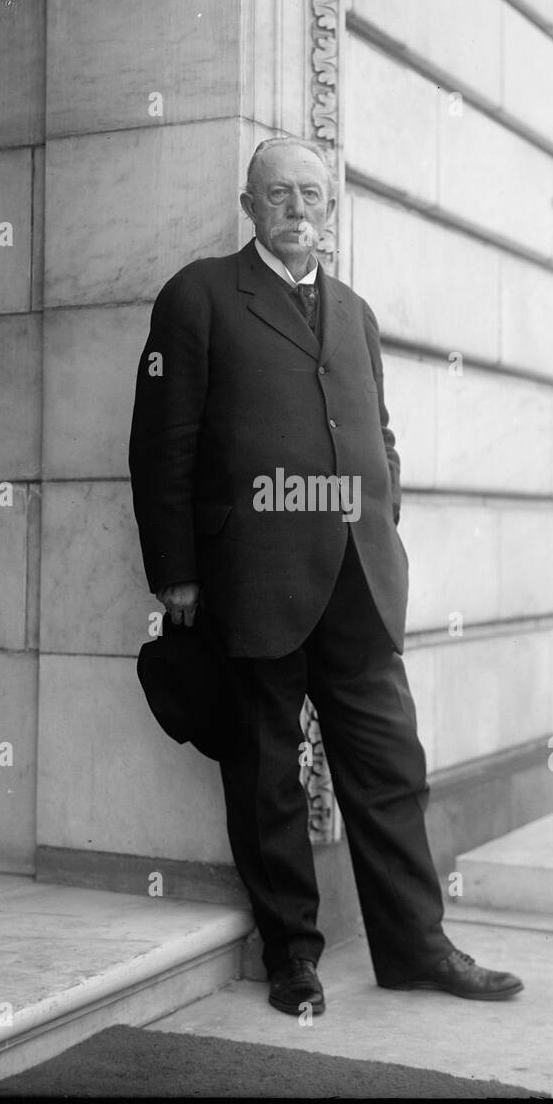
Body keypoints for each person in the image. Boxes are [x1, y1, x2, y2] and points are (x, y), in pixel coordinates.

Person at [129, 136, 523, 1016]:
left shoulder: (355, 311)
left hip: (358, 581)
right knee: (268, 773)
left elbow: (377, 432)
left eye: (312, 195)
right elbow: (163, 448)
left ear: (333, 207)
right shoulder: (198, 298)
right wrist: (178, 575)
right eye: (278, 196)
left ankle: (416, 948)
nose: (297, 210)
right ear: (249, 207)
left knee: (389, 766)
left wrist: (384, 518)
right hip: (254, 580)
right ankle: (293, 959)